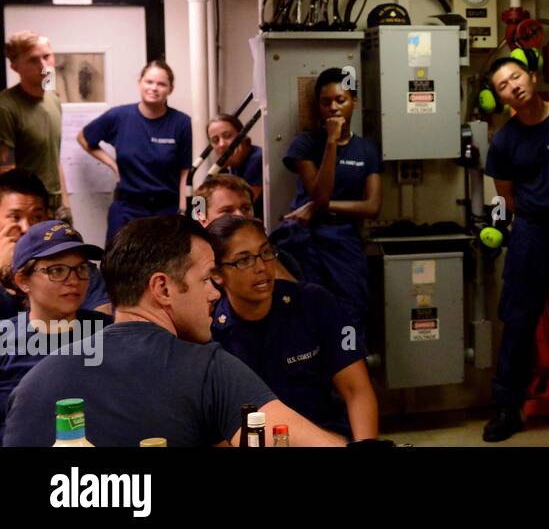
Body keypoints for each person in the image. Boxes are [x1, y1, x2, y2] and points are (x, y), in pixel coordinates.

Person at [2, 215, 345, 446]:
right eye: (207, 278)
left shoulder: (34, 385)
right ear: (163, 289)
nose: (215, 293)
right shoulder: (206, 368)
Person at [480, 55, 549, 442]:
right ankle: (508, 409)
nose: (513, 86)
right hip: (531, 236)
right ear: (500, 98)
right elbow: (507, 198)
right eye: (503, 86)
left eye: (516, 76)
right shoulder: (506, 140)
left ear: (532, 75)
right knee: (518, 325)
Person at [207, 215, 378, 441]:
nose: (261, 267)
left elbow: (356, 390)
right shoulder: (209, 329)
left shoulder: (315, 303)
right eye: (244, 260)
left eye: (265, 253)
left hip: (324, 436)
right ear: (217, 274)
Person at [277, 68, 381, 345]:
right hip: (307, 239)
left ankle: (349, 383)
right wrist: (332, 142)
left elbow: (371, 207)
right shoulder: (305, 145)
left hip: (344, 239)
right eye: (326, 102)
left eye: (341, 100)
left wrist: (321, 206)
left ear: (354, 102)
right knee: (307, 314)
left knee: (351, 312)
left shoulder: (366, 150)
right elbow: (320, 195)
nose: (333, 108)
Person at [0, 220, 112, 440]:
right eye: (57, 270)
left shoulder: (107, 333)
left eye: (81, 269)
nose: (73, 281)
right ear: (23, 281)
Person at [77, 60, 192, 246]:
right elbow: (84, 138)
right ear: (140, 82)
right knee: (119, 267)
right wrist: (112, 165)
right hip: (127, 208)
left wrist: (183, 209)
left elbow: (185, 171)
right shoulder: (119, 117)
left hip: (165, 211)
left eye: (161, 84)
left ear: (170, 89)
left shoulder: (182, 123)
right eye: (149, 82)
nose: (154, 88)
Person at [0, 170, 109, 318]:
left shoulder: (78, 268)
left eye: (37, 217)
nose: (26, 227)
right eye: (15, 217)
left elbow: (103, 324)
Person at [0, 31, 71, 222]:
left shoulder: (53, 99)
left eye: (47, 56)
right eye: (33, 60)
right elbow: (5, 172)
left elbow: (55, 157)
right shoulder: (5, 107)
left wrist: (65, 205)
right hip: (28, 212)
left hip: (56, 207)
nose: (43, 65)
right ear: (15, 67)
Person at [194, 174, 299, 281]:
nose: (240, 216)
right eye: (227, 211)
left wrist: (266, 256)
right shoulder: (191, 265)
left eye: (245, 209)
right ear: (202, 217)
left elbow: (300, 295)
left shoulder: (279, 257)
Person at [207, 114, 263, 219]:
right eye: (215, 140)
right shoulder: (230, 164)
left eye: (227, 136)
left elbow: (244, 205)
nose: (222, 144)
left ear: (242, 136)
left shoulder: (257, 159)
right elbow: (200, 204)